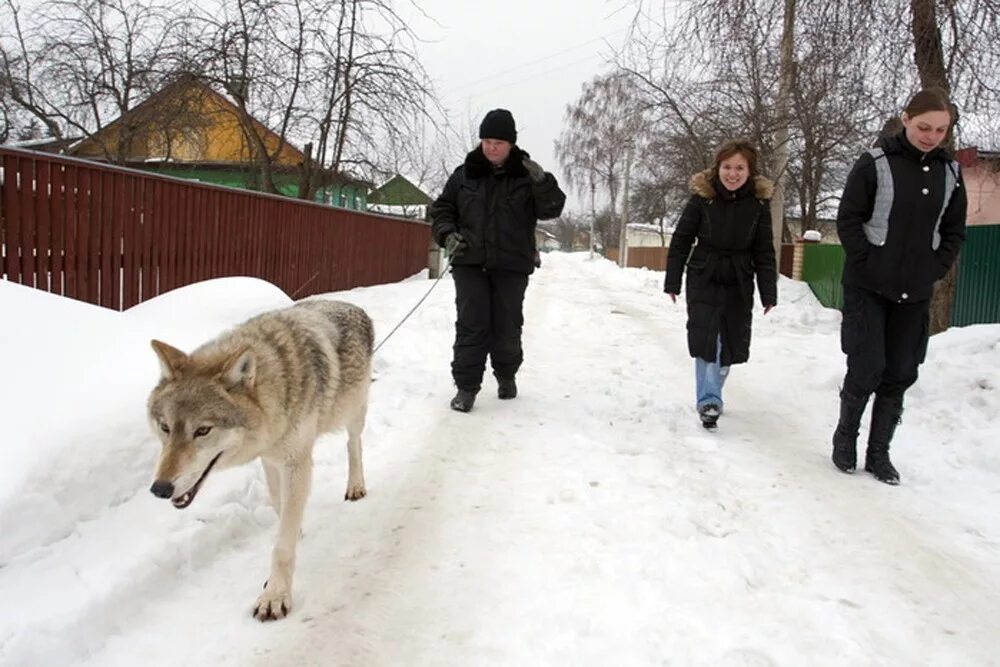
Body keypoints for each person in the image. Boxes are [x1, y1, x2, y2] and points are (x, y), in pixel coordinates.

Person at [831, 88, 967, 485]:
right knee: (867, 365)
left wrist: (935, 267)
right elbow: (848, 219)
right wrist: (868, 264)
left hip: (915, 290)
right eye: (924, 126)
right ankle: (845, 438)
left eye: (941, 130)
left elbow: (954, 230)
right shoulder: (875, 163)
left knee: (901, 370)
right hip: (868, 287)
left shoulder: (951, 172)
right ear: (906, 118)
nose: (931, 136)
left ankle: (879, 453)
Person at [430, 109, 566, 412]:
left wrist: (542, 182)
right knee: (471, 324)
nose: (491, 147)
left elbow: (552, 209)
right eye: (487, 141)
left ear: (511, 144)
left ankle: (506, 375)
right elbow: (442, 209)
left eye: (499, 142)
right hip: (470, 262)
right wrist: (447, 234)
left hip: (511, 265)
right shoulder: (464, 174)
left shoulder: (526, 175)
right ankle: (466, 387)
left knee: (507, 325)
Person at [663, 139, 777, 429]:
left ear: (749, 171)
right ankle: (709, 400)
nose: (732, 173)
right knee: (707, 339)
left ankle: (715, 386)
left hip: (739, 279)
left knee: (729, 343)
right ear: (718, 168)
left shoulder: (759, 205)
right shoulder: (703, 198)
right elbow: (680, 241)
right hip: (704, 274)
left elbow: (764, 251)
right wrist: (673, 280)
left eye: (739, 167)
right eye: (727, 167)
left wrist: (768, 292)